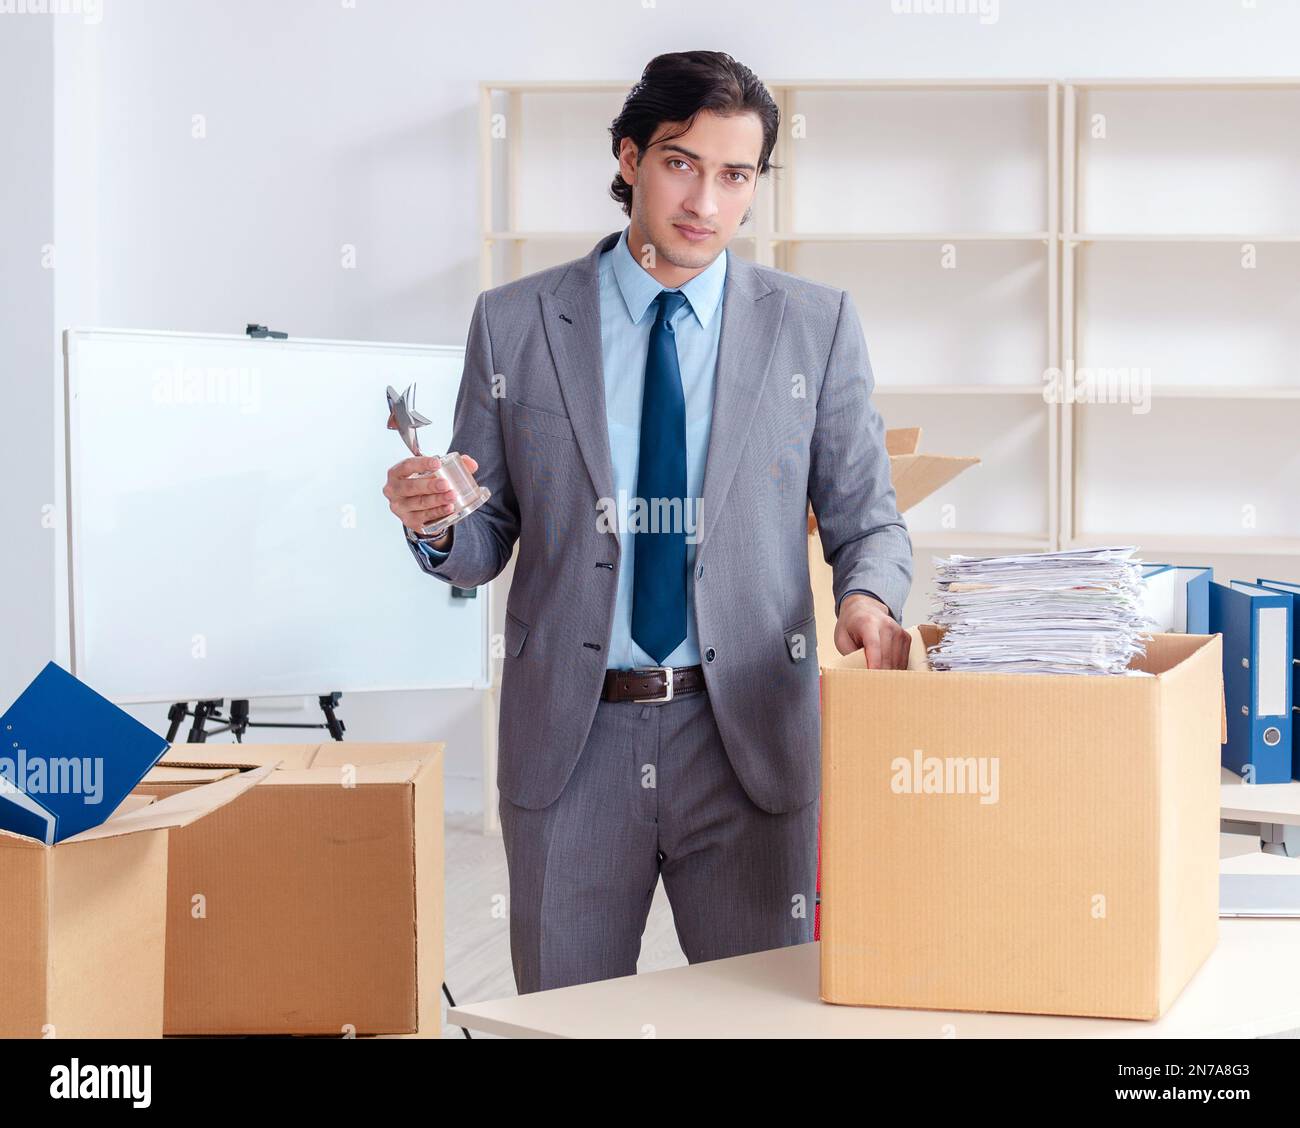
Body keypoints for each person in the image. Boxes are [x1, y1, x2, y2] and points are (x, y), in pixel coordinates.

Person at [384, 50, 913, 995]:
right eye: (680, 162)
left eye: (734, 174)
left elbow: (866, 516)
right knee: (566, 1012)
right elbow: (484, 533)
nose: (704, 199)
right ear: (629, 158)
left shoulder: (814, 326)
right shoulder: (517, 323)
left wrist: (869, 599)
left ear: (755, 187)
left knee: (765, 1018)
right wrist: (436, 523)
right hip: (573, 742)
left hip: (747, 732)